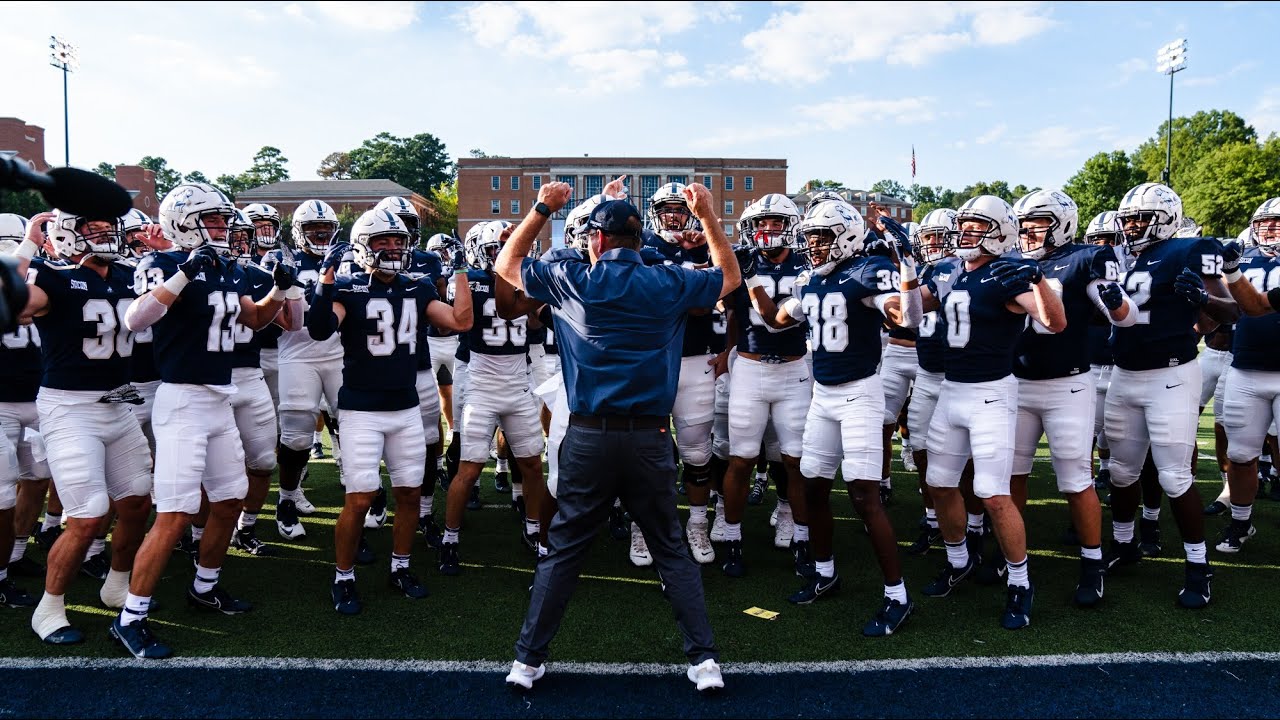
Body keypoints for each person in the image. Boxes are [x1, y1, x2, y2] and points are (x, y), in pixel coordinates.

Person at [495, 181, 738, 693]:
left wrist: (542, 208)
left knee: (564, 550)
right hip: (650, 436)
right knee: (670, 549)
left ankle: (527, 662)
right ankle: (704, 662)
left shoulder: (573, 278)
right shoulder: (667, 280)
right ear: (638, 239)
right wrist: (707, 214)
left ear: (598, 240)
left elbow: (506, 263)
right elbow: (730, 276)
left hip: (589, 436)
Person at [119, 182, 293, 658]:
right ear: (182, 222)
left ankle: (204, 586)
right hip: (181, 400)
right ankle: (130, 616)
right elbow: (136, 320)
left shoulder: (227, 268)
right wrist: (184, 273)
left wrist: (280, 289)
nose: (221, 227)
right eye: (212, 219)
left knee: (230, 499)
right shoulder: (163, 263)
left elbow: (253, 319)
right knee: (174, 514)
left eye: (222, 219)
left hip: (220, 397)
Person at [746, 198, 922, 635]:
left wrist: (907, 268)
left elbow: (908, 318)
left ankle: (898, 595)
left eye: (821, 237)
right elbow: (774, 321)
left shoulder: (868, 271)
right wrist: (750, 278)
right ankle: (824, 571)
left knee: (863, 496)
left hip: (860, 393)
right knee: (813, 488)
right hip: (822, 396)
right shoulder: (809, 280)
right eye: (810, 238)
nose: (813, 246)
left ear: (846, 236)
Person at [307, 208, 471, 614]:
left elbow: (460, 321)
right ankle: (343, 576)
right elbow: (320, 329)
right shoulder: (348, 287)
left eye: (399, 241)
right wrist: (325, 279)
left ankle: (400, 567)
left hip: (405, 407)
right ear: (364, 245)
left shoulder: (417, 287)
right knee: (360, 497)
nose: (394, 248)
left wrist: (461, 271)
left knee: (410, 494)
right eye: (384, 241)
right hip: (361, 410)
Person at [919, 195, 1066, 630]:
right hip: (951, 389)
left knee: (993, 494)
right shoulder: (952, 270)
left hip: (990, 394)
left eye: (975, 226)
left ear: (999, 232)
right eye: (963, 225)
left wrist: (1037, 279)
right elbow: (908, 311)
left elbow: (1055, 323)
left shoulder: (1007, 273)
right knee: (939, 483)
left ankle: (1020, 581)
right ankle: (959, 560)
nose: (964, 232)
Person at [14, 209, 154, 645]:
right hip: (69, 408)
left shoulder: (129, 274)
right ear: (66, 235)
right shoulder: (53, 278)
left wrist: (166, 251)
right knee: (88, 514)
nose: (106, 234)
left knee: (137, 501)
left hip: (118, 403)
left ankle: (117, 583)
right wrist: (30, 242)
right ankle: (49, 607)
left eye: (107, 227)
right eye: (92, 228)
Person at [1103, 182, 1237, 609]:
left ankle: (1198, 566)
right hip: (1124, 374)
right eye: (1128, 220)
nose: (1132, 226)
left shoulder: (1190, 249)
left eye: (1140, 218)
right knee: (1121, 472)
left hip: (1171, 375)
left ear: (1165, 219)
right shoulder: (1122, 257)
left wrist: (1203, 299)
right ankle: (1125, 544)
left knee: (1174, 476)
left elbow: (1231, 310)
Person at [1008, 189, 1136, 607]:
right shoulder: (1011, 260)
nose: (1027, 232)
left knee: (1076, 480)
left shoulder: (1086, 258)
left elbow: (1124, 315)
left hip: (1068, 384)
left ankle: (1092, 562)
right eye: (1023, 226)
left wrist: (1118, 305)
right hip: (1018, 383)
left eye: (1037, 224)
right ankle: (1011, 554)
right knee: (1012, 475)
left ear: (1061, 224)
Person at [1213, 197, 1280, 553]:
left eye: (1277, 222)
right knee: (1240, 454)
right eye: (1264, 222)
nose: (1269, 228)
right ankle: (1240, 522)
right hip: (1246, 367)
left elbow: (1256, 304)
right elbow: (1234, 307)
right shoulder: (1244, 259)